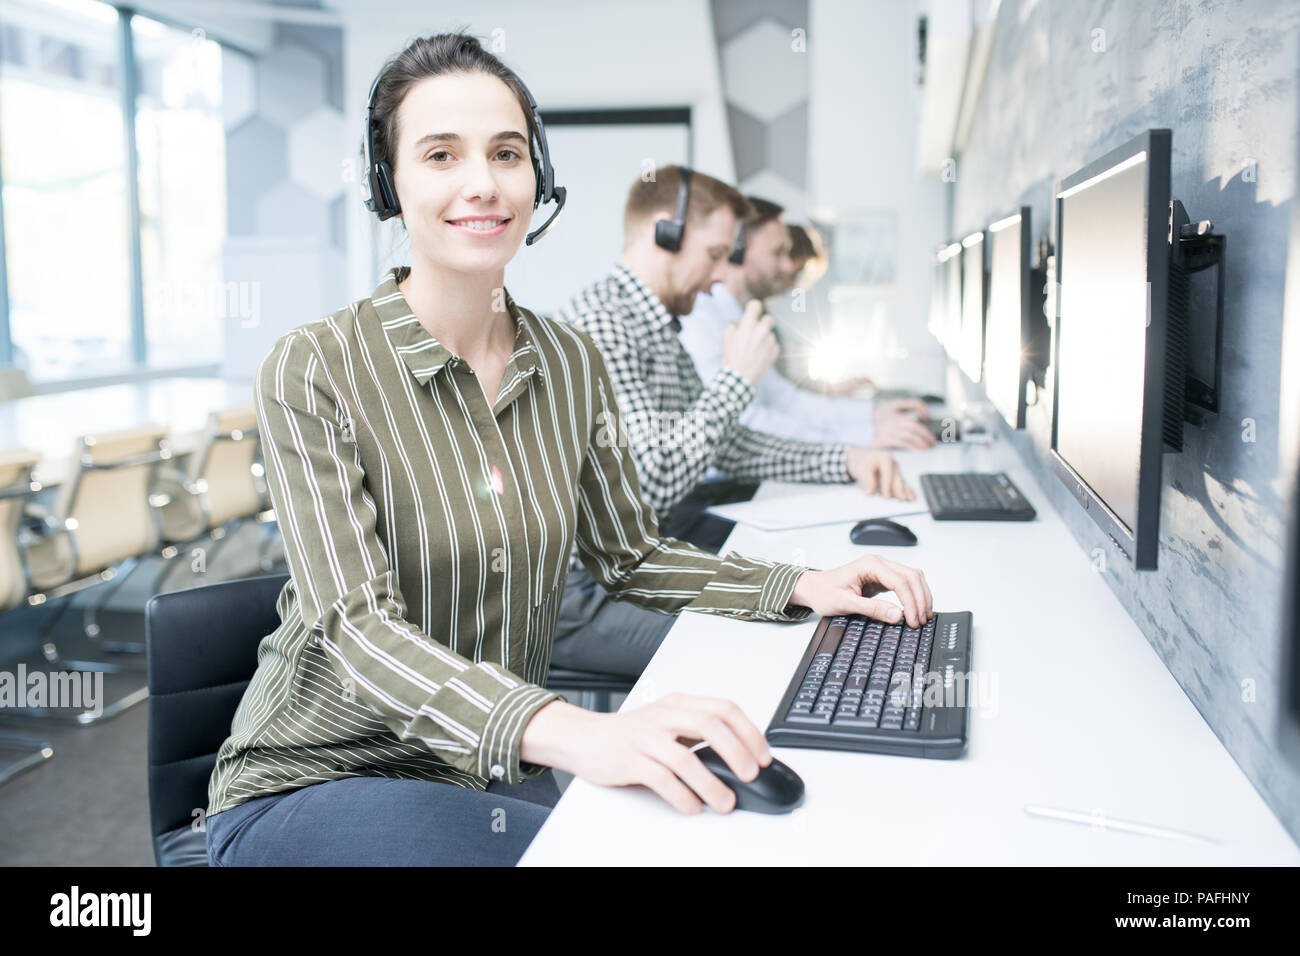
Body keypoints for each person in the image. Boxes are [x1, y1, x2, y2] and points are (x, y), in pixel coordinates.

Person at [203, 32, 933, 867]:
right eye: (441, 154)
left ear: (538, 178)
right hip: (319, 777)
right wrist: (577, 731)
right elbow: (359, 627)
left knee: (690, 836)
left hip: (484, 768)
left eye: (507, 153)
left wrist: (800, 585)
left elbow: (630, 555)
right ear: (389, 184)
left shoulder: (567, 361)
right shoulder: (316, 367)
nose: (483, 182)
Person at [551, 168, 920, 680]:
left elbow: (726, 448)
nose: (719, 276)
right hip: (584, 594)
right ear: (666, 231)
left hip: (641, 564)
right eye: (714, 255)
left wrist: (844, 459)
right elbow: (650, 483)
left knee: (805, 585)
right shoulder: (603, 324)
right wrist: (735, 380)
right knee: (769, 638)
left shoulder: (652, 321)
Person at [678, 198, 936, 449]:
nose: (788, 265)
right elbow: (747, 425)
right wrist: (861, 436)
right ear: (736, 249)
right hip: (726, 485)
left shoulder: (743, 316)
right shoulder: (702, 320)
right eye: (778, 252)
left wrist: (871, 415)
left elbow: (784, 401)